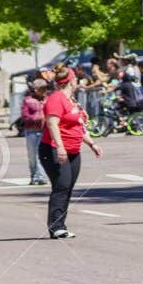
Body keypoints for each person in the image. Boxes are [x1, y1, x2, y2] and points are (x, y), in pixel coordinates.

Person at [38, 62, 102, 239]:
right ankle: (55, 226)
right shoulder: (56, 99)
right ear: (71, 80)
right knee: (62, 185)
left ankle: (61, 225)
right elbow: (52, 124)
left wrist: (92, 144)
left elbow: (79, 127)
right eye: (76, 78)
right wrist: (60, 147)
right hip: (53, 149)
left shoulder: (71, 100)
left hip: (73, 150)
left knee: (68, 187)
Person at [18, 78, 49, 186]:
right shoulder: (27, 100)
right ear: (36, 89)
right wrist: (39, 117)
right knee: (32, 156)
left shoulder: (47, 100)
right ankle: (34, 176)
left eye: (45, 88)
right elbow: (25, 116)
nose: (45, 91)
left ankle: (40, 177)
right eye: (42, 89)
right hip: (31, 131)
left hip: (44, 131)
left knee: (39, 154)